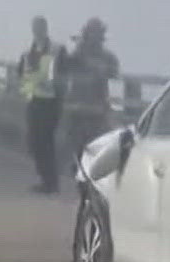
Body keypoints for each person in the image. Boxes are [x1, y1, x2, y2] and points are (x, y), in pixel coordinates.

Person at [61, 18, 121, 171]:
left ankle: (87, 170)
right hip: (77, 107)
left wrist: (97, 68)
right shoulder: (78, 53)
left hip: (96, 108)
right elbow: (65, 68)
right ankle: (77, 167)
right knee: (76, 140)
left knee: (95, 143)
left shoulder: (107, 57)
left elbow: (114, 72)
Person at [15, 16, 67, 193]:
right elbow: (20, 73)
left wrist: (61, 102)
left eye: (40, 27)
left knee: (46, 143)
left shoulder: (57, 49)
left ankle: (50, 182)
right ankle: (45, 178)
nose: (37, 30)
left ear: (45, 28)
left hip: (50, 103)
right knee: (34, 142)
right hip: (34, 102)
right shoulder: (27, 52)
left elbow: (63, 76)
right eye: (35, 27)